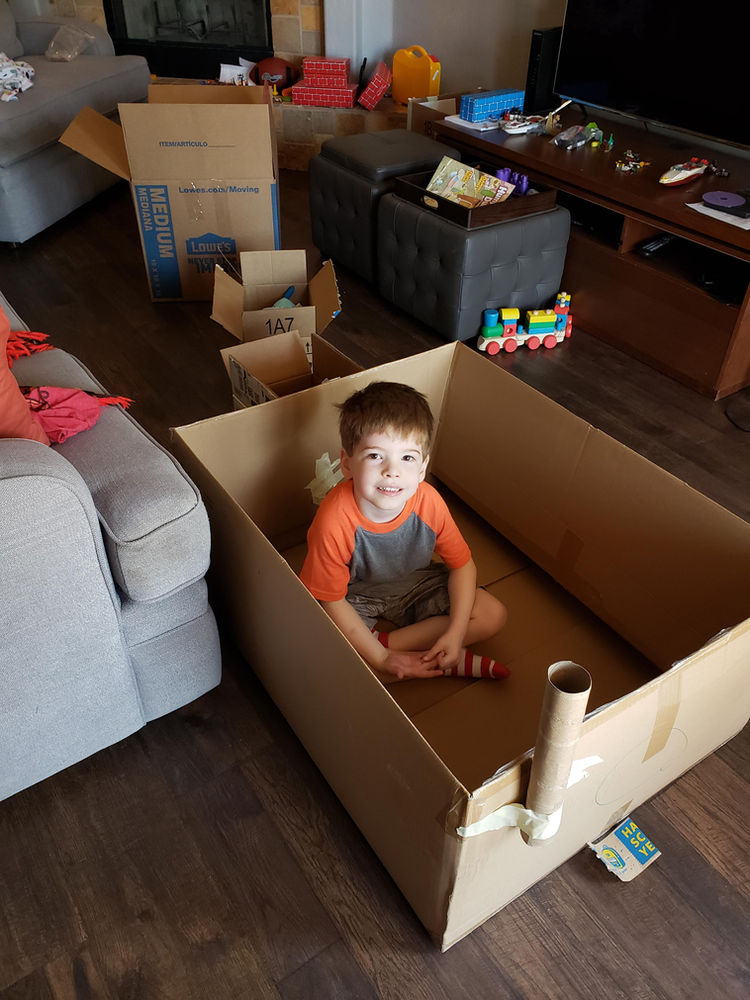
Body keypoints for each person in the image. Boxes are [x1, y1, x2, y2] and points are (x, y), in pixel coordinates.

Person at [299, 381, 508, 684]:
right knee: (326, 662)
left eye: (407, 458)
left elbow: (462, 565)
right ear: (346, 463)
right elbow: (331, 599)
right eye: (375, 456)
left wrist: (455, 632)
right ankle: (431, 662)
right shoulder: (333, 519)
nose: (392, 471)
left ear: (422, 468)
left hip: (415, 585)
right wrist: (381, 660)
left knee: (493, 615)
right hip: (355, 597)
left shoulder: (428, 502)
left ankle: (397, 650)